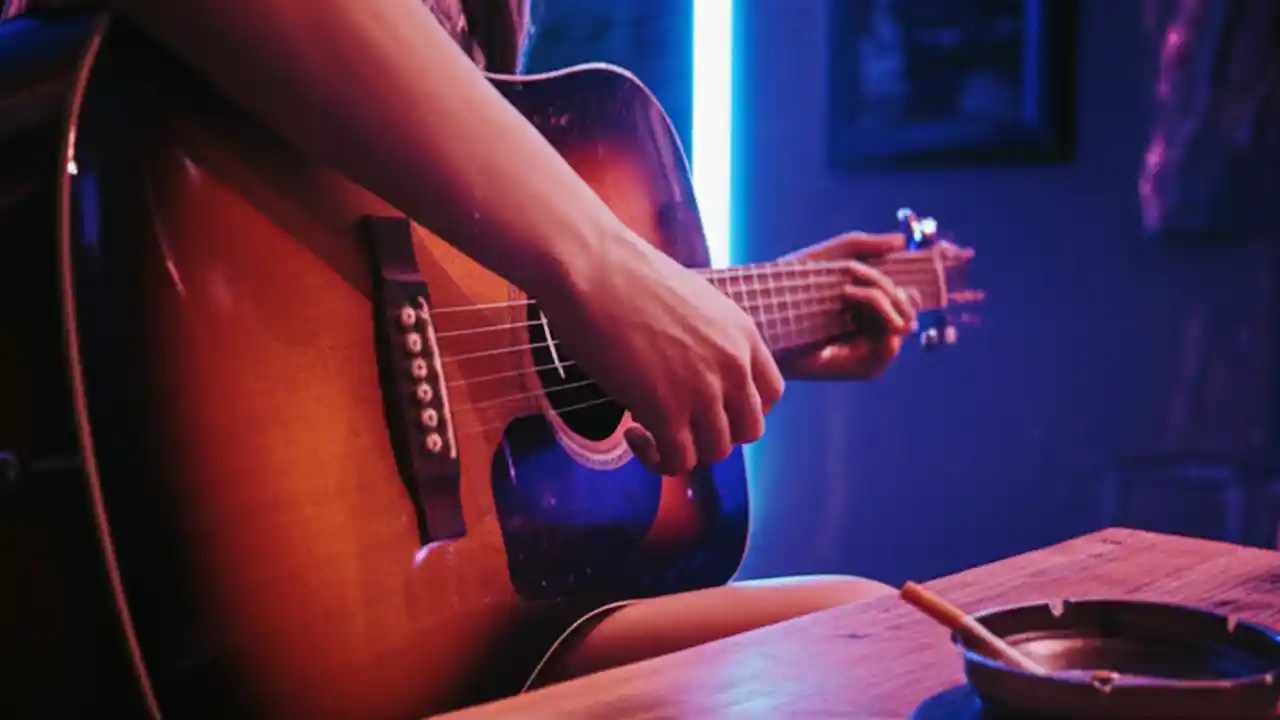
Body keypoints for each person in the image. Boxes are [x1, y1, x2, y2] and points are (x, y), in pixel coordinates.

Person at [2, 0, 917, 692]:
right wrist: (605, 271)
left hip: (415, 623)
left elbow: (469, 290)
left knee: (873, 640)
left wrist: (720, 335)